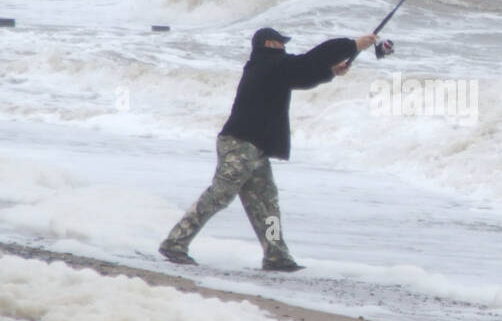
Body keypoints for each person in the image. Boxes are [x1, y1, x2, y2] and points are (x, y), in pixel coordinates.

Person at [159, 26, 377, 271]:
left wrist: (329, 72)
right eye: (281, 43)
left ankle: (276, 256)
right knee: (220, 195)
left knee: (266, 204)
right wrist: (353, 45)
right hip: (239, 144)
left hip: (256, 148)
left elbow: (302, 75)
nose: (284, 47)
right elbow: (307, 62)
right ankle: (174, 243)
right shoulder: (266, 64)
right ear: (271, 44)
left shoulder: (271, 68)